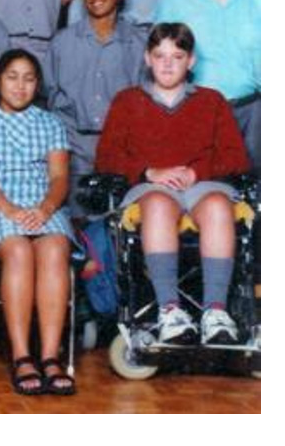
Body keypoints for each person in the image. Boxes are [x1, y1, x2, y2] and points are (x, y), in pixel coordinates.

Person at [95, 22, 251, 346]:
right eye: (160, 55)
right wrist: (148, 172)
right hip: (150, 187)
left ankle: (215, 312)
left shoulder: (212, 101)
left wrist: (197, 172)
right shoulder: (127, 101)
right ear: (147, 59)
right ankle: (170, 311)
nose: (167, 64)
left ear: (190, 61)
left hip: (203, 185)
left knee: (220, 207)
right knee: (158, 205)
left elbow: (236, 156)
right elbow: (107, 158)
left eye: (177, 56)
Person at [0, 49, 76, 396]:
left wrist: (44, 208)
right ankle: (22, 355)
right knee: (18, 251)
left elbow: (59, 177)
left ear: (37, 84)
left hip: (43, 204)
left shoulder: (51, 122)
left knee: (55, 248)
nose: (20, 85)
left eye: (29, 78)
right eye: (12, 76)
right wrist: (9, 210)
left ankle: (50, 356)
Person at [154, 0, 260, 169]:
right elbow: (160, 63)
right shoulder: (174, 1)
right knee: (208, 192)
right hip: (198, 113)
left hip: (254, 113)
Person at [48, 0, 146, 214]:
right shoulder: (62, 42)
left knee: (121, 224)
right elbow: (49, 96)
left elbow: (146, 101)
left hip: (122, 148)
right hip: (75, 150)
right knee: (78, 226)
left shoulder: (138, 43)